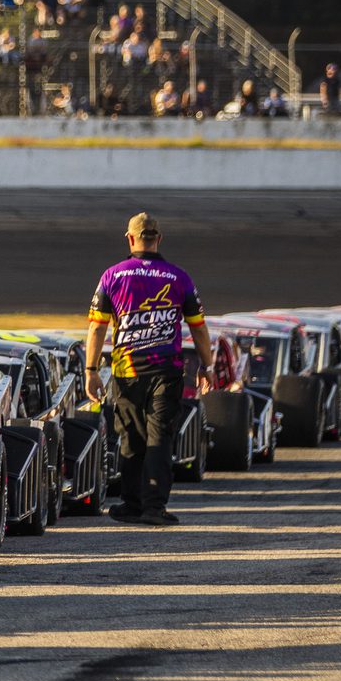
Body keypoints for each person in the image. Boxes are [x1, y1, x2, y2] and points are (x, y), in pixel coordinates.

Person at [84, 213, 214, 527]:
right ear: (159, 238)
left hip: (126, 371)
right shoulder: (179, 277)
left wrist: (90, 369)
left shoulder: (113, 276)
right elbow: (198, 328)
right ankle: (154, 506)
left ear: (130, 239)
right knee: (160, 437)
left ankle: (131, 504)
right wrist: (207, 365)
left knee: (131, 437)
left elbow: (96, 329)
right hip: (166, 372)